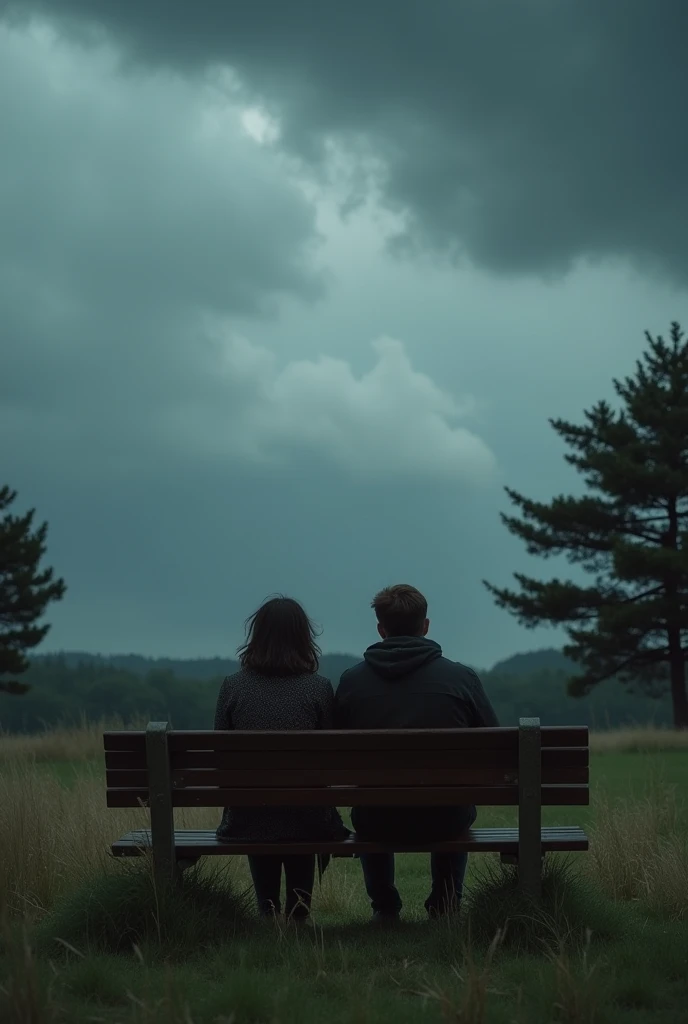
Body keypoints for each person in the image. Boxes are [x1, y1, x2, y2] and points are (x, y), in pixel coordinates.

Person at [333, 584, 499, 922]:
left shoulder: (352, 682)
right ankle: (446, 903)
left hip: (377, 819)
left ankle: (385, 906)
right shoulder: (461, 677)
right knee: (451, 799)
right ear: (425, 626)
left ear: (381, 629)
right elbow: (495, 745)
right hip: (446, 817)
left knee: (371, 801)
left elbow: (333, 754)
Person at [214, 595, 351, 921]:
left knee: (261, 808)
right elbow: (331, 761)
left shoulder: (233, 688)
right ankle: (299, 912)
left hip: (246, 820)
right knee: (302, 808)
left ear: (256, 636)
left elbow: (221, 759)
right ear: (304, 637)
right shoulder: (318, 689)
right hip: (309, 820)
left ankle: (267, 909)